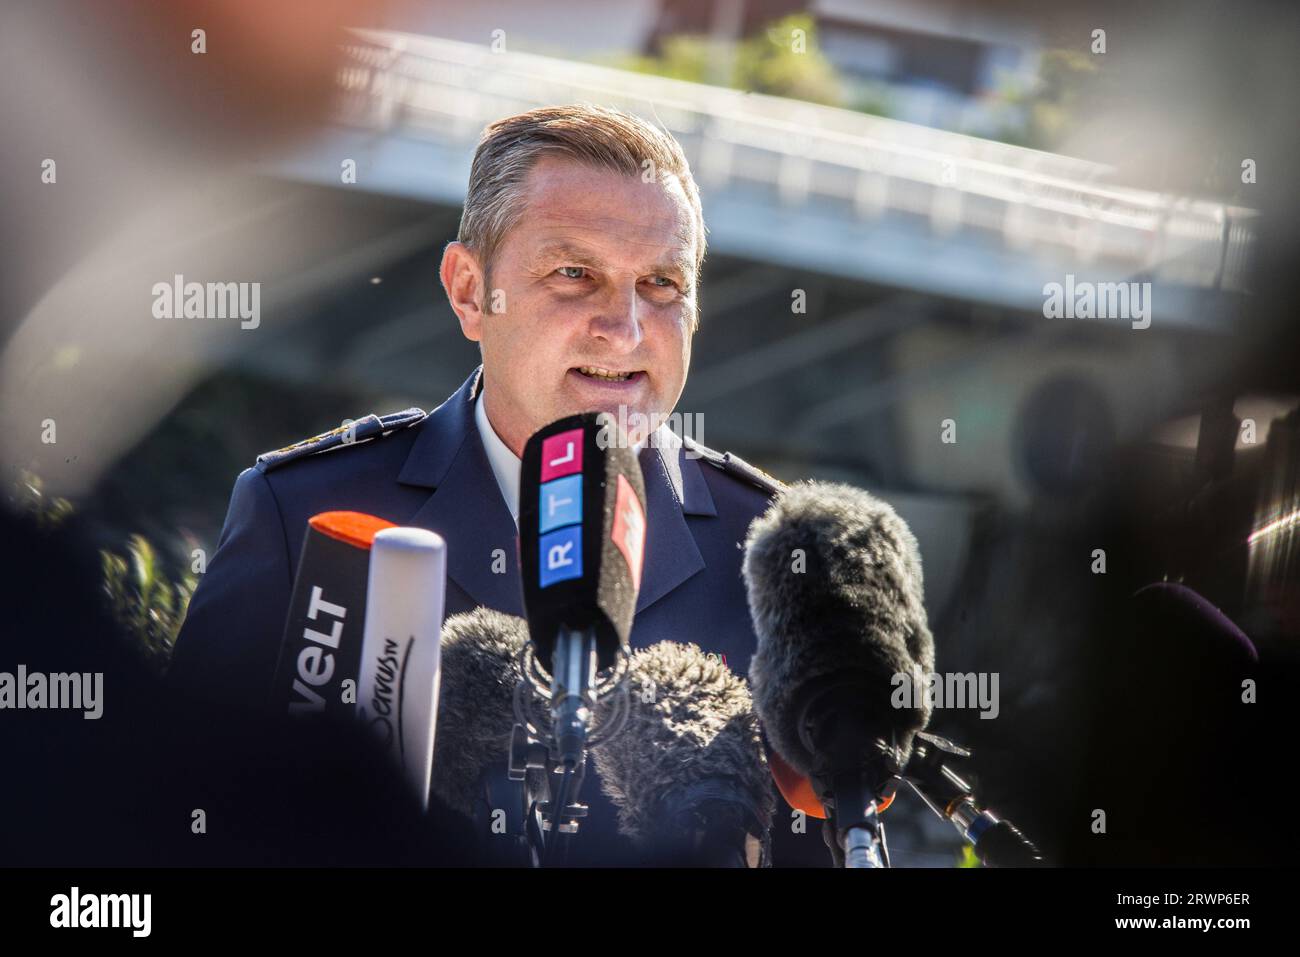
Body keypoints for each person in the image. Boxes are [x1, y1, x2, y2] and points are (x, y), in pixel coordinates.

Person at [168, 104, 793, 864]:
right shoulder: (303, 514)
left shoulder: (769, 556)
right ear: (470, 292)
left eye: (662, 283)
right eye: (574, 274)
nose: (625, 329)